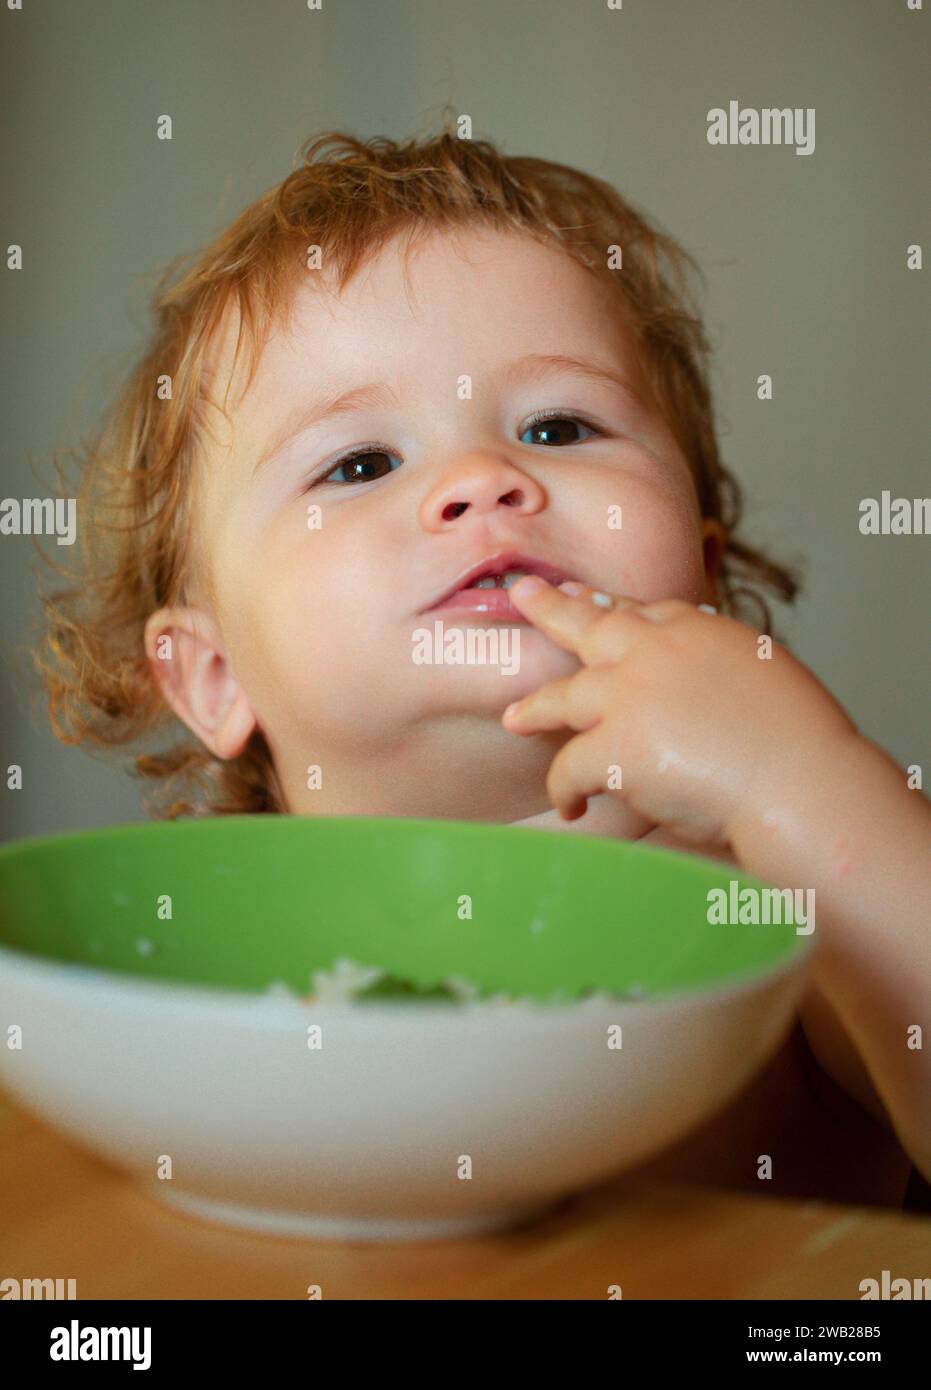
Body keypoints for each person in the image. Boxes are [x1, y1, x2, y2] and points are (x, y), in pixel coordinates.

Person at [34, 128, 931, 1212]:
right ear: (216, 675)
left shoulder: (779, 907)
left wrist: (807, 785)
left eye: (559, 425)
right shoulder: (200, 962)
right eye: (361, 461)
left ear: (696, 570)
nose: (481, 479)